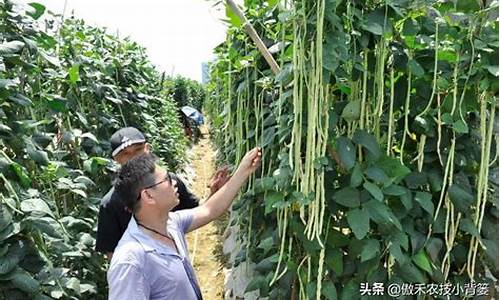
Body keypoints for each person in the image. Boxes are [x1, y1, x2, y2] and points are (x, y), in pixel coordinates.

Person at [107, 148, 261, 300]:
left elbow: (209, 209)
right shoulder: (130, 262)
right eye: (167, 179)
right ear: (148, 195)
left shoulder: (171, 223)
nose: (174, 182)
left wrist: (244, 170)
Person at [95, 127, 229, 260]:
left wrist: (215, 192)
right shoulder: (110, 205)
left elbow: (200, 211)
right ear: (116, 160)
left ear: (147, 149)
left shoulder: (169, 183)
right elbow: (113, 255)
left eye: (138, 150)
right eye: (125, 154)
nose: (134, 157)